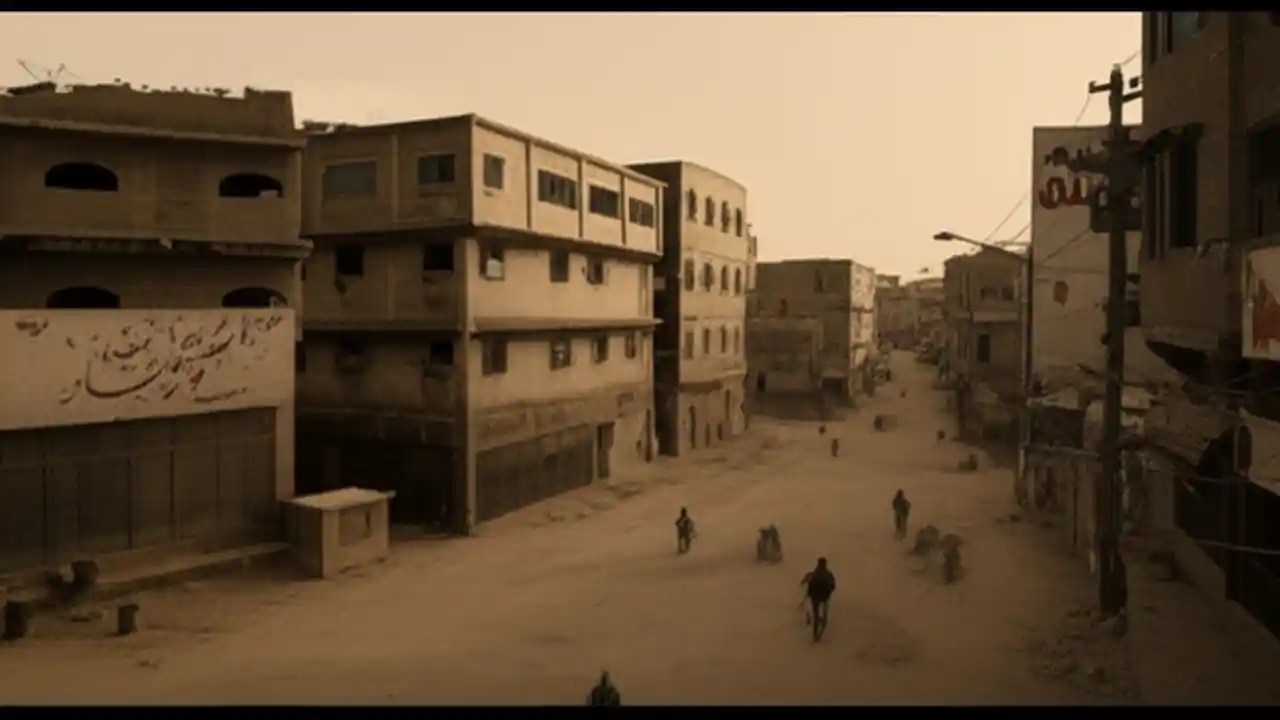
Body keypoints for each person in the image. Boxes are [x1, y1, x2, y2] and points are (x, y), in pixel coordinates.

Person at [800, 557, 836, 641]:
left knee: (815, 614)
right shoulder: (828, 574)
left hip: (814, 597)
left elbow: (805, 581)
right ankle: (820, 629)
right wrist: (829, 591)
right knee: (824, 615)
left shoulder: (814, 573)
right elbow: (833, 586)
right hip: (824, 597)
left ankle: (815, 634)